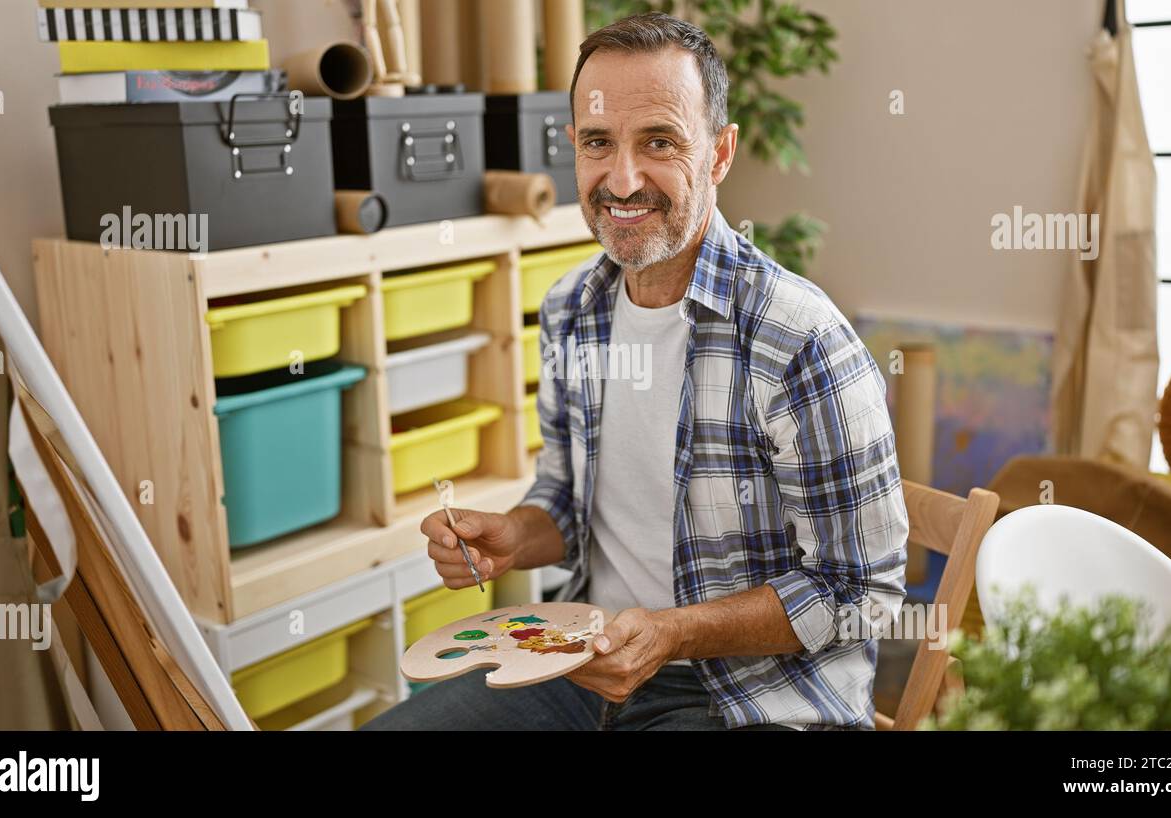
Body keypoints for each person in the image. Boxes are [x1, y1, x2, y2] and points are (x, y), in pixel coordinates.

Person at [362, 11, 908, 731]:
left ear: (718, 153)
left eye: (659, 141)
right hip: (581, 664)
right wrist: (513, 536)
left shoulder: (799, 338)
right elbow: (565, 499)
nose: (622, 179)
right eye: (598, 143)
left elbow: (861, 590)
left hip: (748, 697)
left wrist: (674, 631)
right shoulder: (570, 311)